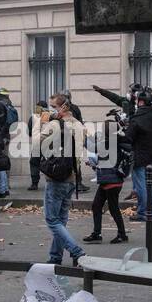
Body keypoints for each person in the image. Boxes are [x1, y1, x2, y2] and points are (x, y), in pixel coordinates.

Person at [39, 93, 87, 266]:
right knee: (61, 220)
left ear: (63, 107)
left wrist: (43, 124)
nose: (50, 111)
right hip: (72, 177)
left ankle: (77, 252)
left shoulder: (54, 124)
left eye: (53, 107)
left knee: (52, 220)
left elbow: (37, 143)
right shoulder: (79, 125)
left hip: (56, 177)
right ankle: (55, 256)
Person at [83, 110, 132, 244]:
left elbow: (91, 147)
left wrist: (83, 135)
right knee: (97, 206)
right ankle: (97, 233)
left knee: (112, 208)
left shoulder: (109, 142)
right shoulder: (116, 141)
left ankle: (120, 234)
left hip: (111, 181)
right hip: (110, 179)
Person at [127, 88, 152, 221]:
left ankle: (144, 212)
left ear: (141, 102)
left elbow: (129, 137)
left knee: (141, 185)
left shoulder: (137, 118)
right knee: (149, 186)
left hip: (140, 155)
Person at [27, 100, 48, 190]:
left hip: (37, 143)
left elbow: (29, 130)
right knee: (49, 162)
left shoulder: (33, 117)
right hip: (48, 143)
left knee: (34, 163)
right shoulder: (50, 116)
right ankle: (50, 182)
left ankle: (34, 183)